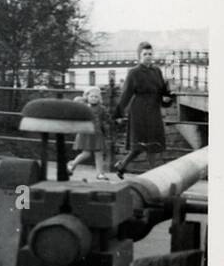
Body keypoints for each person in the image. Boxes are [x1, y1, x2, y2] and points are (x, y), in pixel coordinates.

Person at [112, 42, 174, 178]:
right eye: (145, 54)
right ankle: (150, 173)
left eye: (150, 54)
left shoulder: (157, 71)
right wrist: (118, 113)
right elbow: (126, 94)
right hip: (139, 111)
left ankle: (125, 167)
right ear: (139, 56)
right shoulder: (134, 72)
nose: (148, 56)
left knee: (153, 144)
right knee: (139, 144)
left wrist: (168, 98)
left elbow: (163, 90)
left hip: (154, 110)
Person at [65, 86, 108, 178]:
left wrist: (106, 128)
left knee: (99, 153)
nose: (93, 98)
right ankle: (72, 164)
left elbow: (105, 119)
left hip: (97, 133)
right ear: (87, 97)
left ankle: (100, 173)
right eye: (91, 96)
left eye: (96, 97)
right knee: (86, 153)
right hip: (86, 132)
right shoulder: (84, 107)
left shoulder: (102, 108)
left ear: (99, 98)